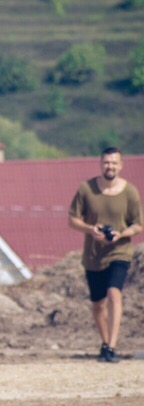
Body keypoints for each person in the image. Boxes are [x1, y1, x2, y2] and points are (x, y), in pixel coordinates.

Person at [67, 147, 141, 362]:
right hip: (93, 255)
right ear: (101, 164)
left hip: (120, 251)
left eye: (114, 163)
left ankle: (112, 345)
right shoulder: (86, 189)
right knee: (98, 304)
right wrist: (90, 229)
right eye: (107, 163)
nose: (110, 166)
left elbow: (138, 225)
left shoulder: (130, 192)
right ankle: (105, 342)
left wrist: (121, 234)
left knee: (114, 293)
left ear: (121, 165)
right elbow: (72, 220)